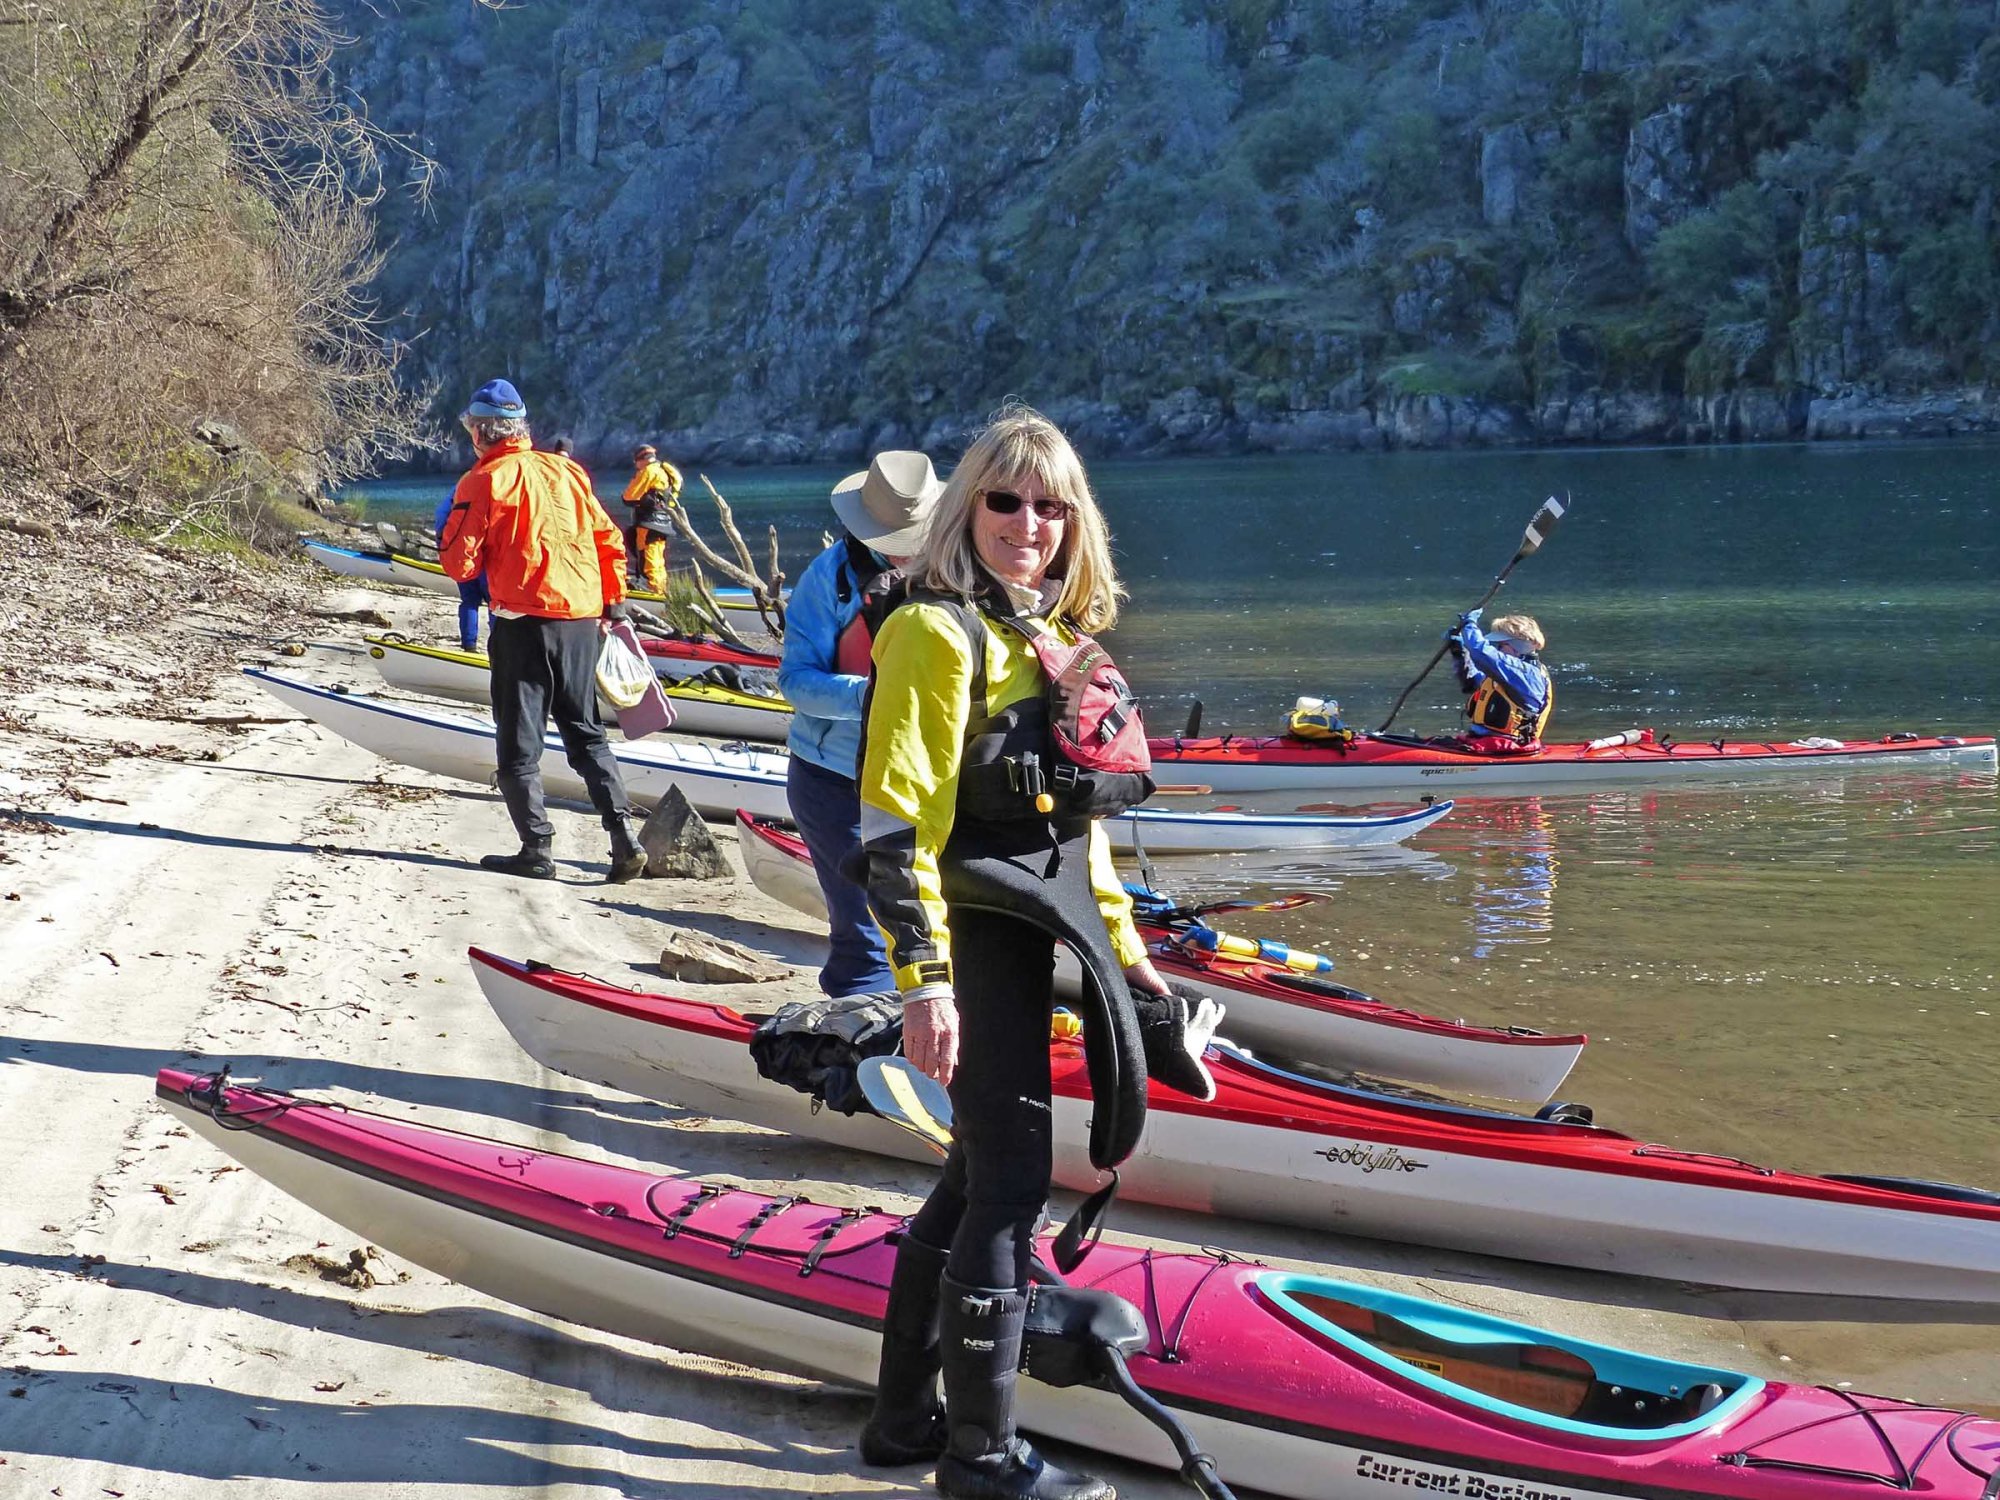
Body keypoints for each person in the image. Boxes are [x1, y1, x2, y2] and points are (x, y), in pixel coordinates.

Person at [854, 405, 1218, 1500]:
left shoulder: (1036, 635)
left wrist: (1135, 967)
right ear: (966, 508)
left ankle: (901, 1418)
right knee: (1010, 1188)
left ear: (1075, 520)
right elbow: (892, 821)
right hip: (969, 945)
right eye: (1005, 501)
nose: (1027, 523)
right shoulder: (932, 631)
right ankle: (981, 1459)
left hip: (1023, 935)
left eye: (1050, 505)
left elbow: (1076, 840)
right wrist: (922, 983)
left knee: (973, 1178)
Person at [439, 378, 648, 884]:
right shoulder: (568, 471)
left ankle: (537, 849)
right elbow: (609, 541)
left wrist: (459, 536)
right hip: (580, 619)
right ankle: (624, 841)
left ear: (480, 431)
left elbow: (459, 564)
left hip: (522, 622)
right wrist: (612, 604)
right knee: (587, 733)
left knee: (518, 743)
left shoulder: (485, 479)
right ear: (520, 427)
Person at [778, 450, 942, 999]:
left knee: (936, 936)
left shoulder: (957, 568)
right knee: (866, 942)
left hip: (926, 782)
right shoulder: (828, 580)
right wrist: (878, 699)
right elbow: (796, 682)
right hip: (835, 780)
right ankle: (855, 1059)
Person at [1448, 610, 1552, 751]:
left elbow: (1481, 652)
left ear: (1517, 647)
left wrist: (1469, 624)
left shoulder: (1526, 673)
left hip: (1508, 747)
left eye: (1501, 645)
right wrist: (1459, 652)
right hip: (1484, 742)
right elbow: (1473, 682)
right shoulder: (1507, 673)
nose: (1497, 649)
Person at [622, 443, 683, 594]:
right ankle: (659, 587)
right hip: (663, 521)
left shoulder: (648, 471)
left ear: (641, 459)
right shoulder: (664, 471)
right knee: (657, 555)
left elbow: (628, 497)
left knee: (649, 555)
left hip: (649, 522)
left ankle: (652, 588)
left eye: (636, 462)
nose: (636, 465)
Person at [432, 489, 487, 653]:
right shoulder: (498, 483)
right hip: (488, 555)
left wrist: (442, 545)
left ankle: (469, 645)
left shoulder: (462, 487)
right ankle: (498, 648)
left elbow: (441, 514)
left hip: (461, 553)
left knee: (470, 601)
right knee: (495, 603)